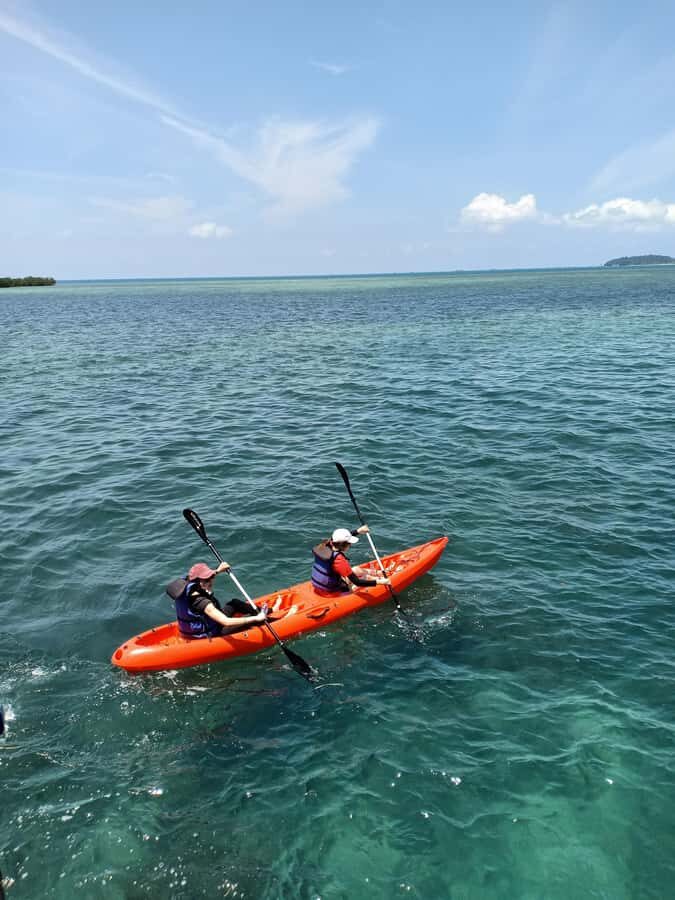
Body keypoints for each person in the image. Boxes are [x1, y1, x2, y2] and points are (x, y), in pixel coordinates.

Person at [171, 561, 269, 638]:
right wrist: (256, 618)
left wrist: (217, 571)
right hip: (212, 632)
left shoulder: (187, 586)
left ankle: (268, 612)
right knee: (251, 617)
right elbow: (225, 621)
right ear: (196, 582)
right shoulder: (201, 601)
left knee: (234, 603)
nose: (210, 582)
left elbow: (205, 578)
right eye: (206, 580)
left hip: (205, 625)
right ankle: (268, 619)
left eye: (211, 577)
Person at [311, 525, 391, 594]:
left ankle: (378, 573)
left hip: (319, 584)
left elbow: (339, 539)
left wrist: (358, 531)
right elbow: (358, 582)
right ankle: (382, 579)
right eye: (350, 544)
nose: (350, 545)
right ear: (344, 545)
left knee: (356, 569)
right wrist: (380, 582)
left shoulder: (325, 545)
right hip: (331, 590)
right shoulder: (339, 559)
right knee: (364, 578)